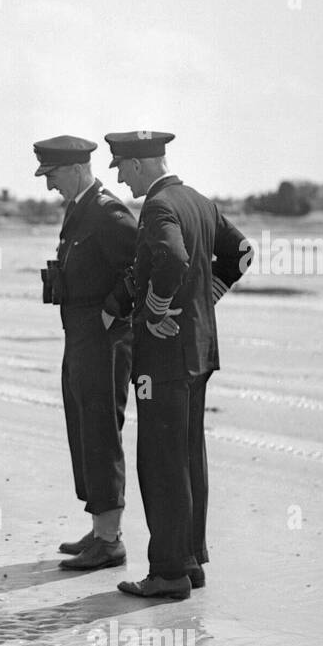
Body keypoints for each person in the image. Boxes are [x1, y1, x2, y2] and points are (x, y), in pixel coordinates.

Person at [103, 130, 250, 599]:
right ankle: (190, 563)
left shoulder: (160, 206)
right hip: (200, 352)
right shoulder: (200, 202)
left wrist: (158, 307)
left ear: (142, 164)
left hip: (164, 356)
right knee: (188, 457)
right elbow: (241, 253)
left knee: (161, 463)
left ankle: (168, 572)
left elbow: (170, 257)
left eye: (122, 167)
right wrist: (205, 300)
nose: (121, 178)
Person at [33, 135, 138, 572]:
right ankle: (99, 529)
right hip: (78, 333)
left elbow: (142, 265)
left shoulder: (107, 210)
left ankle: (111, 541)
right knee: (81, 427)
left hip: (103, 338)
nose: (48, 184)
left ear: (76, 169)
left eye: (52, 174)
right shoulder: (79, 209)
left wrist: (114, 311)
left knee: (99, 432)